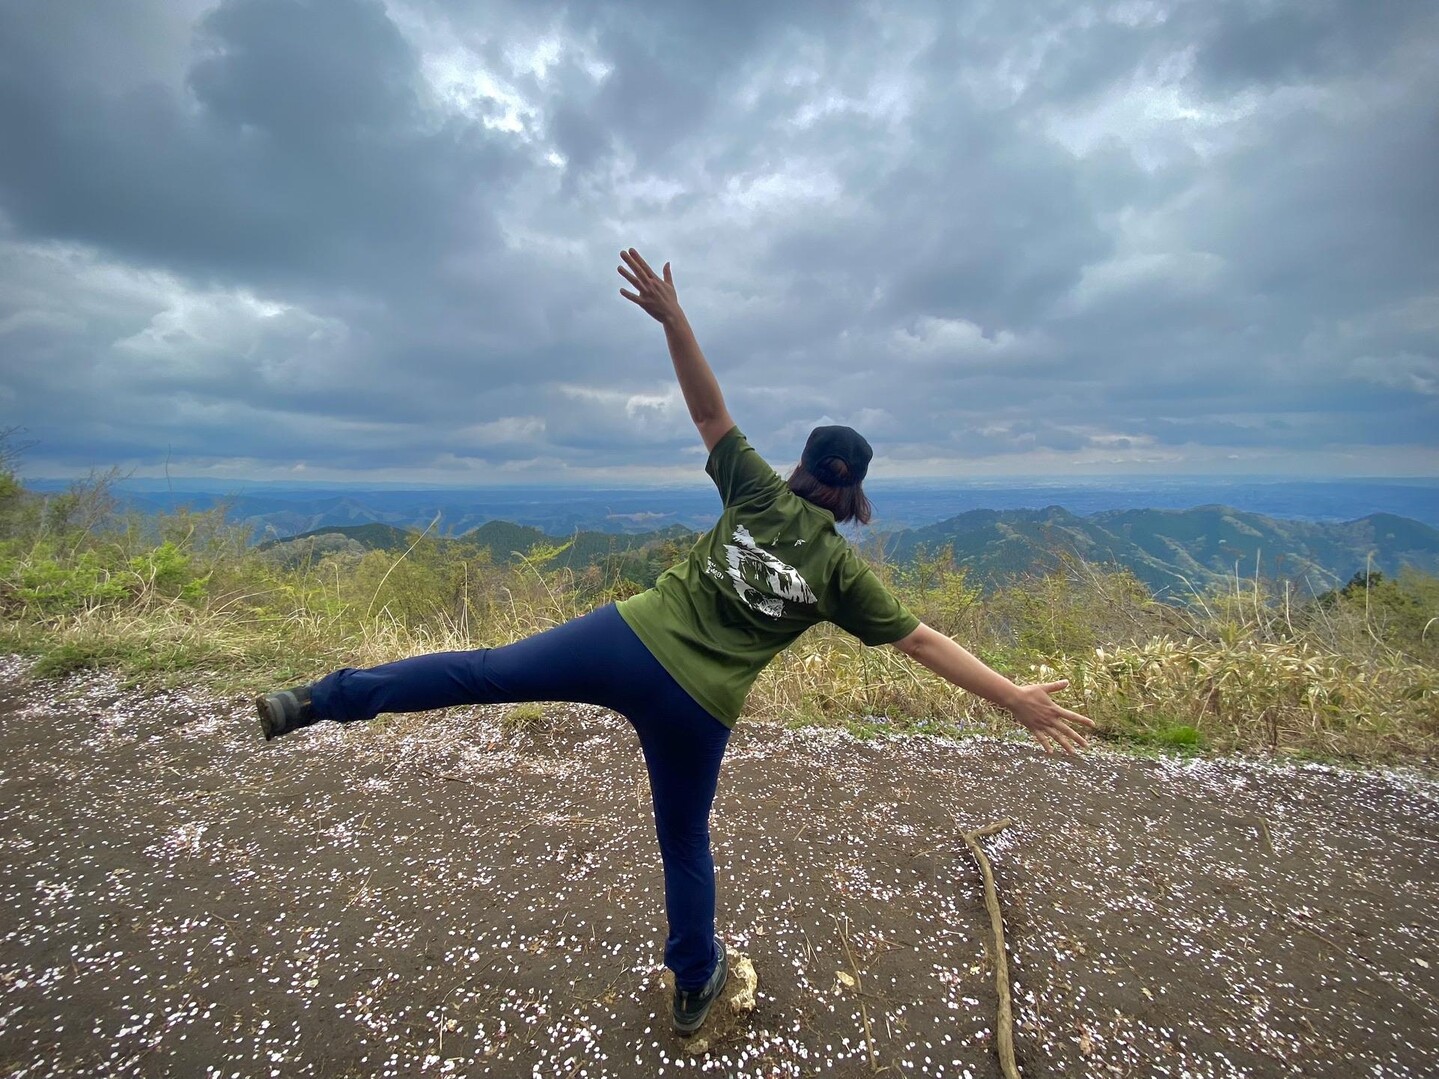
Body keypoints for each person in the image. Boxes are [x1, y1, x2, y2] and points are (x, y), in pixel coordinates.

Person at [255, 248, 1095, 1036]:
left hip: (625, 638)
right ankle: (696, 985)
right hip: (697, 707)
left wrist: (672, 319)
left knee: (479, 672)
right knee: (684, 842)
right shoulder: (842, 577)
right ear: (856, 495)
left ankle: (321, 699)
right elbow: (922, 642)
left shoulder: (759, 492)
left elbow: (706, 409)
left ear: (806, 465)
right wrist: (1014, 699)